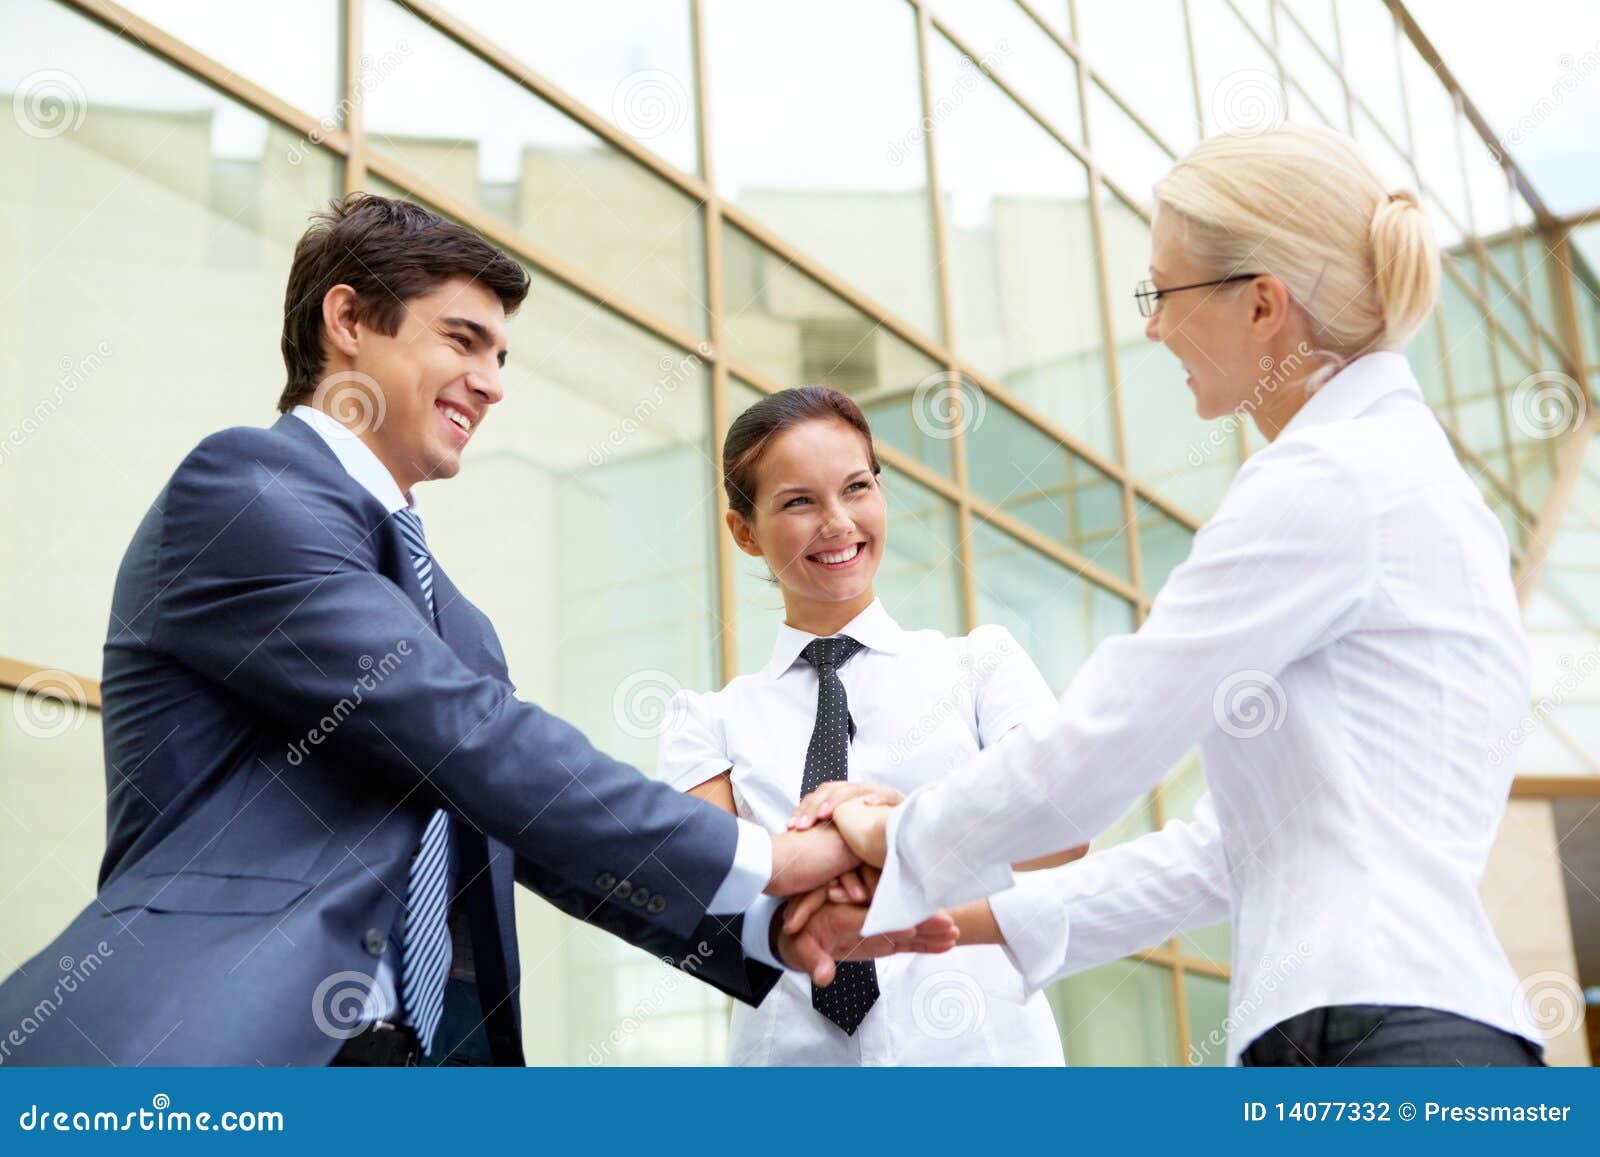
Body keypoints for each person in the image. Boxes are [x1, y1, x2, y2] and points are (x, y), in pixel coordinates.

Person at [0, 193, 955, 1067]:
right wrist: (781, 858)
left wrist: (765, 922)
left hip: (448, 1050)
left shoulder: (457, 617)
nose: (491, 383)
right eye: (464, 341)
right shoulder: (245, 489)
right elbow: (468, 734)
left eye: (501, 357)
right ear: (347, 323)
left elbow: (527, 821)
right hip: (238, 1041)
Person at [811, 124, 1547, 1066]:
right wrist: (947, 916)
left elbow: (1100, 747)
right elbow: (1220, 854)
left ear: (1263, 306)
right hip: (1431, 1031)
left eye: (1164, 291)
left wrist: (887, 833)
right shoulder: (1408, 479)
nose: (1151, 325)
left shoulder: (1330, 479)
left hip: (1364, 1043)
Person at [657, 385, 1083, 1065]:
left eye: (857, 487)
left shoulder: (980, 665)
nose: (836, 521)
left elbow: (1060, 825)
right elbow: (707, 897)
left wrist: (880, 828)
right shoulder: (706, 721)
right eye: (799, 501)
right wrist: (934, 846)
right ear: (744, 531)